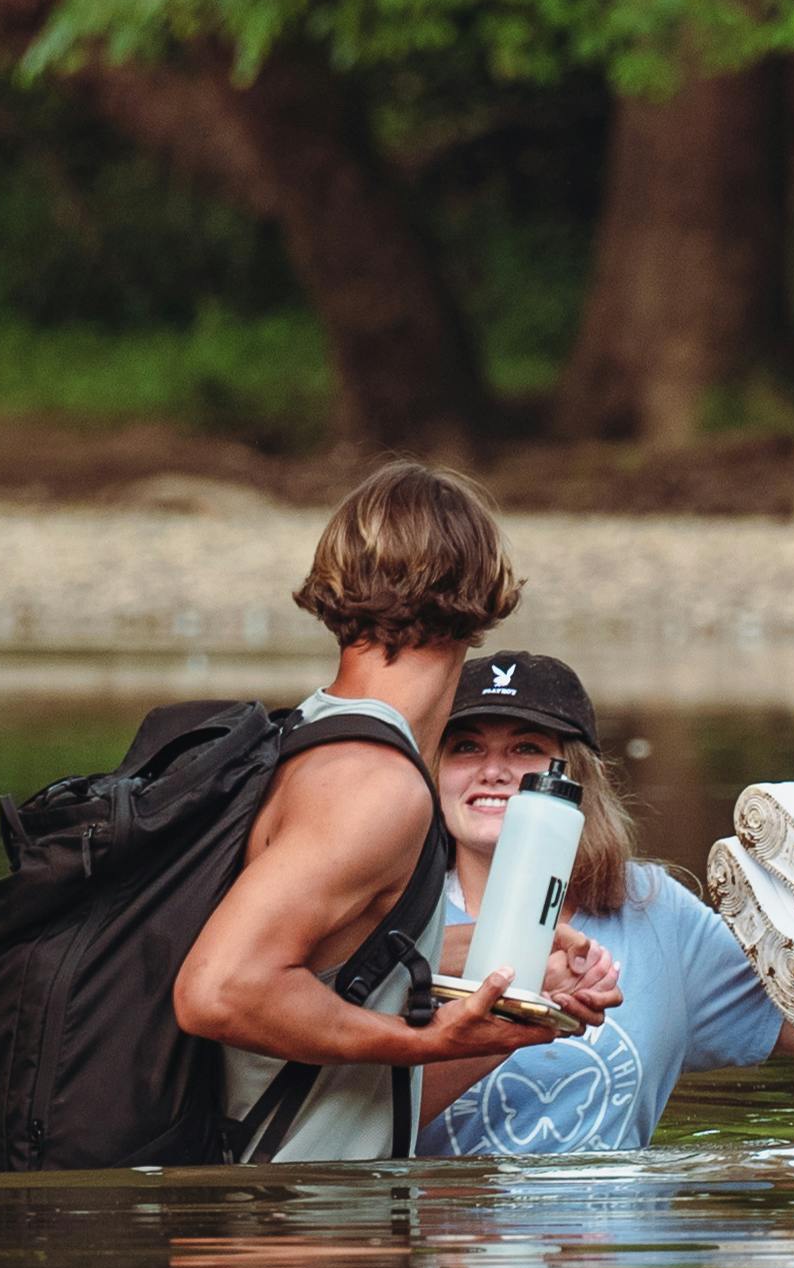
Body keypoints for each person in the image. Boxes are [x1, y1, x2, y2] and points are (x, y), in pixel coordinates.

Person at [169, 466, 621, 1162]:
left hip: (294, 1212)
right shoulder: (377, 785)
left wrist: (508, 964)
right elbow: (218, 990)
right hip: (290, 1217)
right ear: (482, 589)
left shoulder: (315, 736)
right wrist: (424, 1041)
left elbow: (335, 959)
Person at [414, 651, 794, 1156]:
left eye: (525, 748)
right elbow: (370, 1125)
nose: (492, 770)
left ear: (578, 776)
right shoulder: (394, 917)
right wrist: (521, 1013)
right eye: (466, 746)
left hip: (621, 1206)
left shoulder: (652, 909)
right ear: (433, 769)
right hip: (430, 1205)